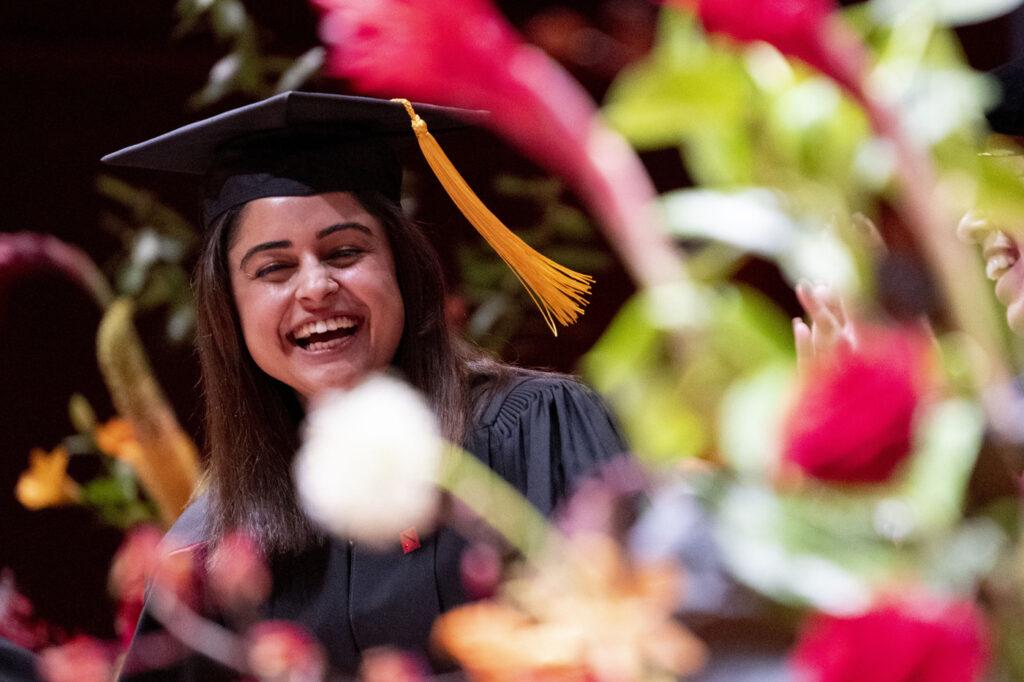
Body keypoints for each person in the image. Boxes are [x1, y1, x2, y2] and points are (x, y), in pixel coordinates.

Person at [102, 92, 627, 678]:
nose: (316, 287)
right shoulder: (220, 537)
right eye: (274, 268)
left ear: (402, 268)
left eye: (345, 252)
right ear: (230, 310)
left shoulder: (535, 430)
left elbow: (634, 646)